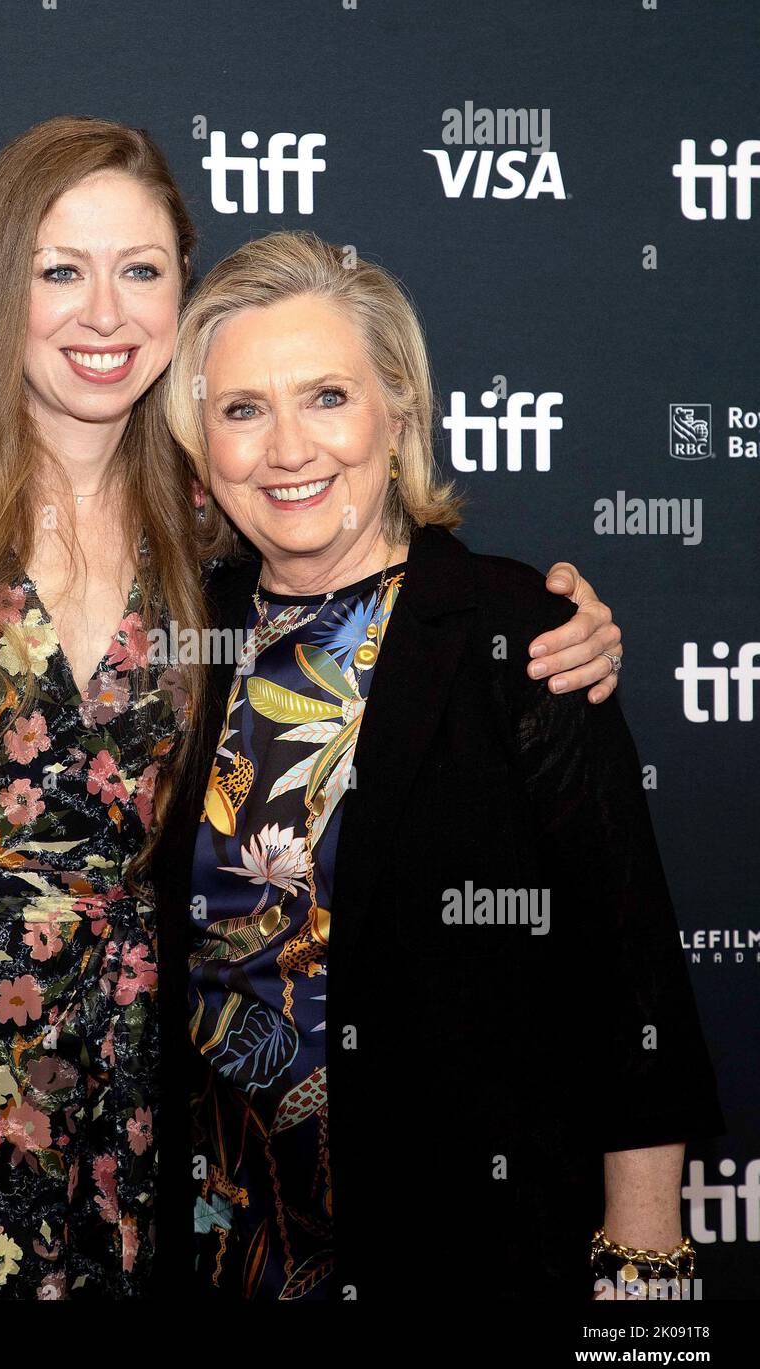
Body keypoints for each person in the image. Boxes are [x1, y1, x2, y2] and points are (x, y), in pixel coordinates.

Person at [0, 116, 618, 1301]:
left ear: (180, 297)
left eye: (140, 271)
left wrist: (553, 613)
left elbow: (381, 579)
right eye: (61, 270)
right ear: (0, 286)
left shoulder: (214, 521)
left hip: (149, 1098)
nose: (104, 313)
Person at [147, 230, 724, 1301]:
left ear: (398, 413)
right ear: (199, 445)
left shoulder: (525, 635)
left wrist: (646, 1284)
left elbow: (630, 977)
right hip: (226, 1256)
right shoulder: (179, 640)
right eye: (242, 409)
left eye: (327, 396)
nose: (286, 447)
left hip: (472, 1255)